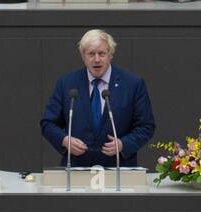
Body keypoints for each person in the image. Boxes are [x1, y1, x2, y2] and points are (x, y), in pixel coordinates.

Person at [40, 29, 155, 168]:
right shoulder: (66, 83)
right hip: (77, 168)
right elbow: (48, 123)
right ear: (83, 56)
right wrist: (64, 140)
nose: (97, 59)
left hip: (118, 168)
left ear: (110, 55)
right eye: (91, 54)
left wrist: (123, 144)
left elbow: (146, 126)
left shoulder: (132, 84)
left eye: (101, 53)